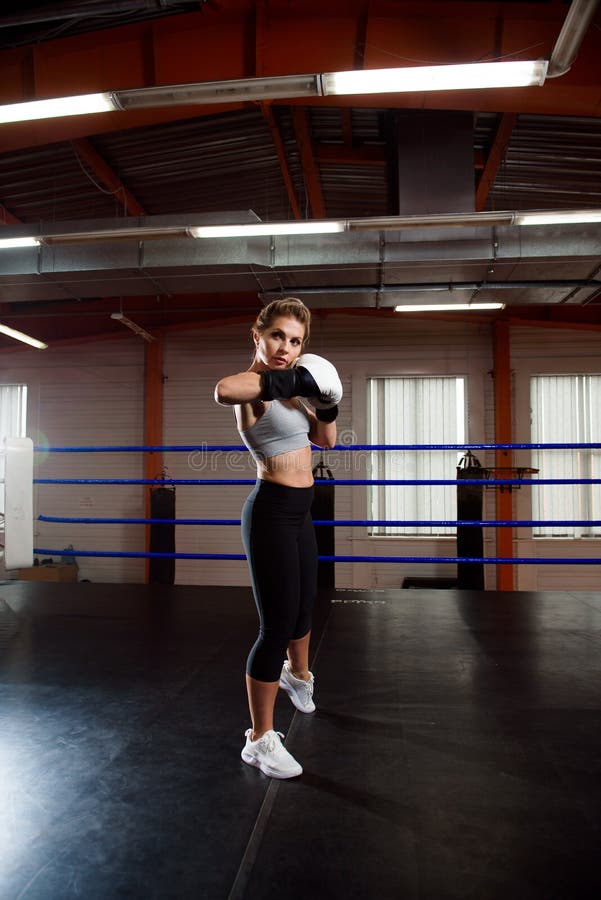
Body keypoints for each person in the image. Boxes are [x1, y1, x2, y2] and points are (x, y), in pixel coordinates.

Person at [214, 297, 342, 779]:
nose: (286, 348)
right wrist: (293, 381)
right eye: (277, 336)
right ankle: (259, 739)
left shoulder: (291, 394)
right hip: (270, 512)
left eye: (295, 341)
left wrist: (327, 401)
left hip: (300, 511)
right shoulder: (257, 389)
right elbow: (223, 390)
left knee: (305, 607)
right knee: (275, 626)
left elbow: (326, 440)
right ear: (258, 336)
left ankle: (299, 675)